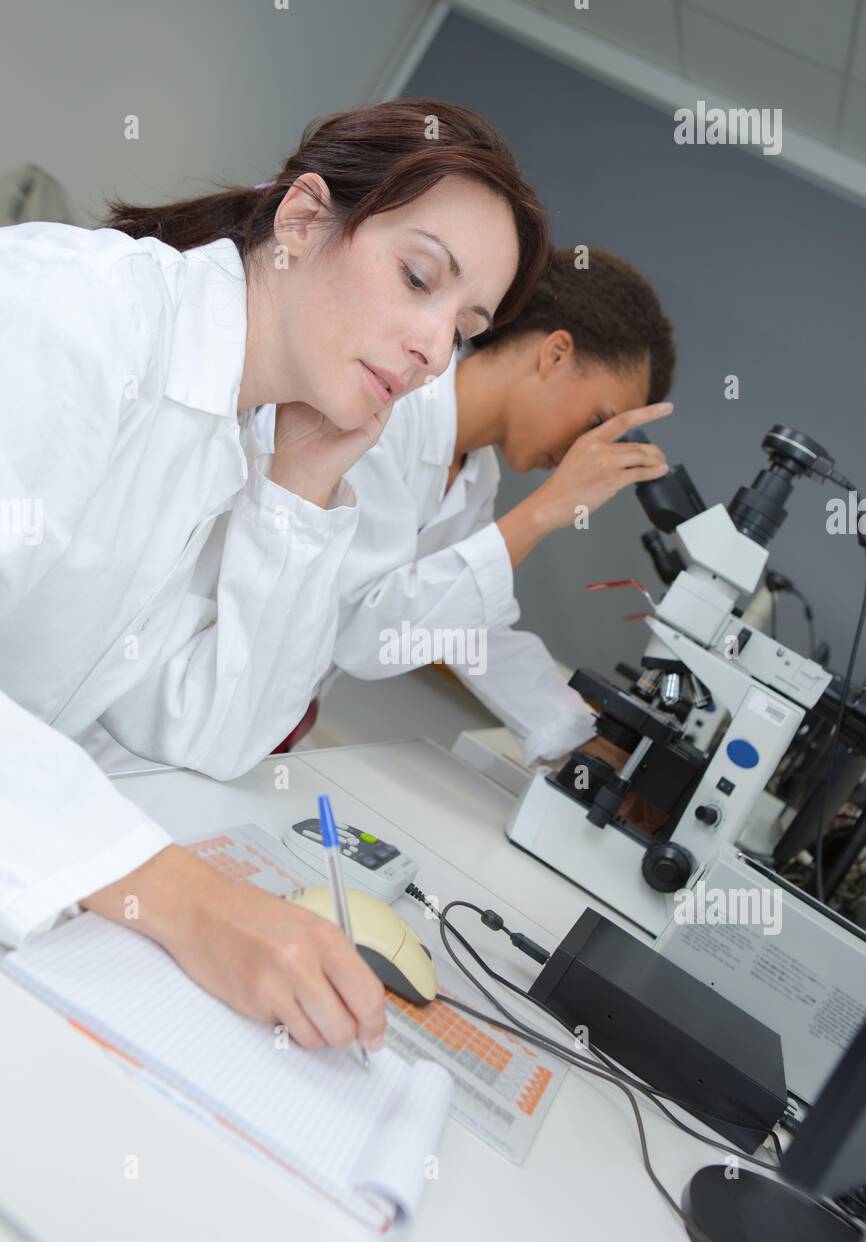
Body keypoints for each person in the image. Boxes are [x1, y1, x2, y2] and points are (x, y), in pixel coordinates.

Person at [0, 98, 550, 1058]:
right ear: (301, 222)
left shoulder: (249, 430)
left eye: (464, 326)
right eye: (418, 277)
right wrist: (180, 896)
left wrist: (300, 485)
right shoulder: (77, 316)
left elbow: (209, 737)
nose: (434, 351)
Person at [255, 246, 675, 766]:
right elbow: (360, 635)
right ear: (556, 354)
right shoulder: (390, 405)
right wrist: (542, 512)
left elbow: (469, 628)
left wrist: (580, 738)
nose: (584, 453)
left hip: (270, 726)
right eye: (598, 423)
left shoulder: (476, 474)